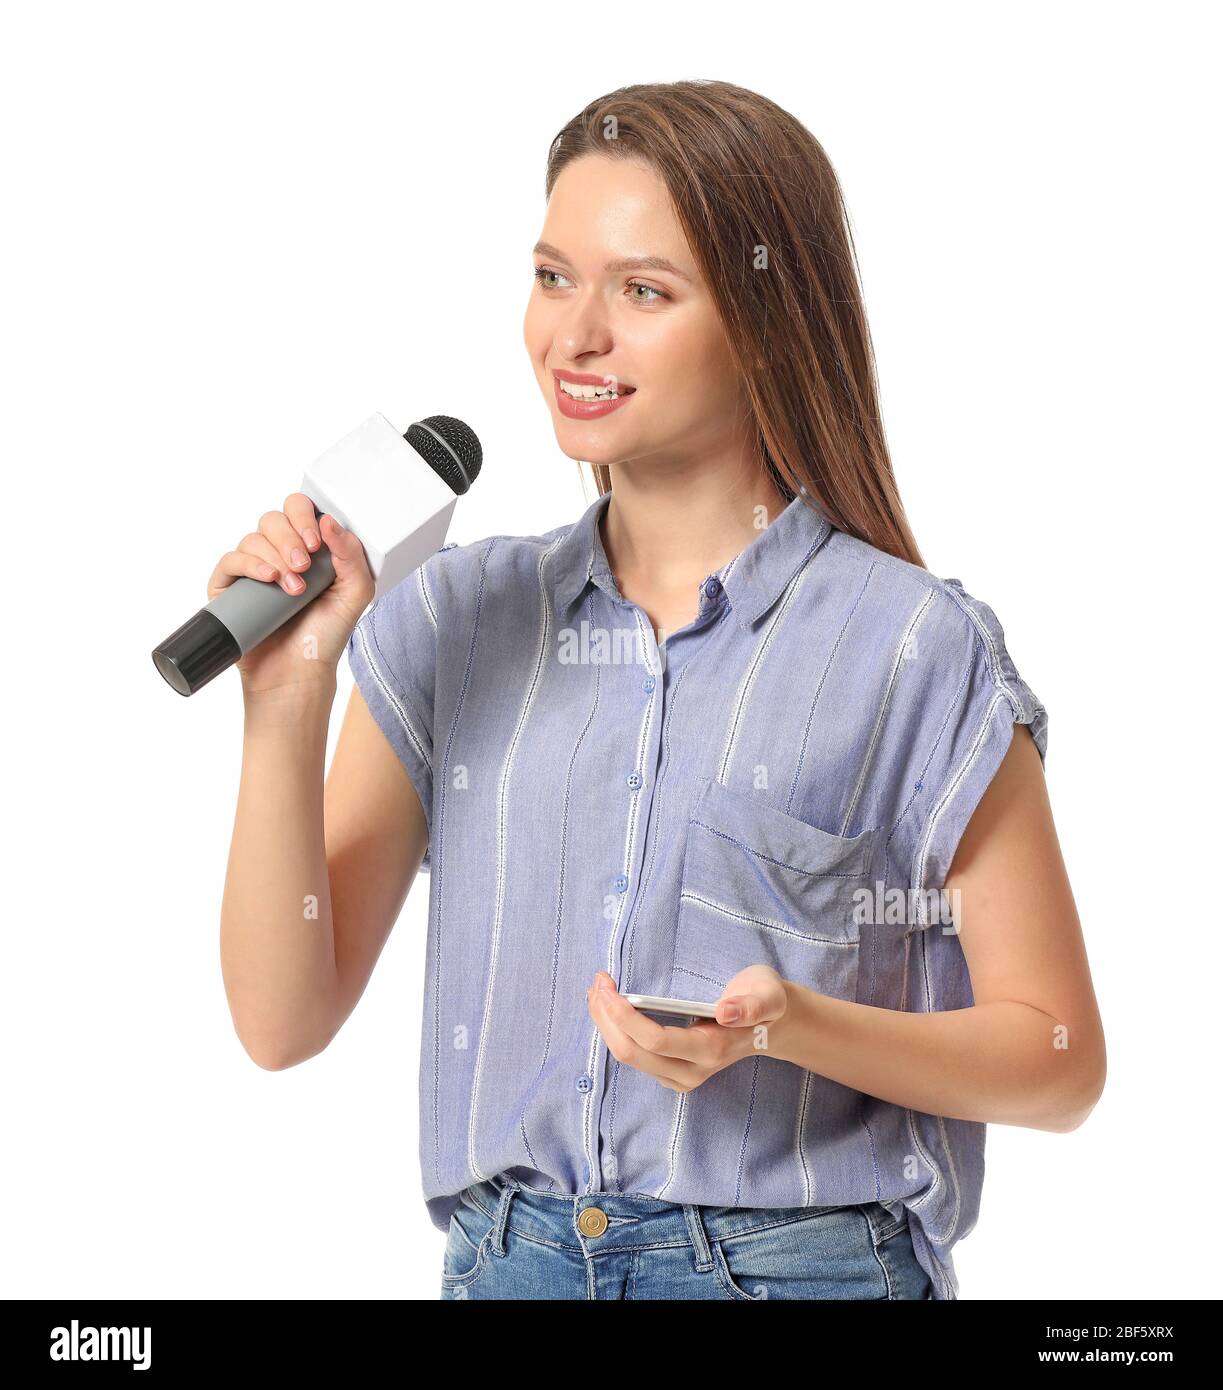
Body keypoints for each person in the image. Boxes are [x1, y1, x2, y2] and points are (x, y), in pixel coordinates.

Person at [214, 80, 1105, 1301]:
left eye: (642, 291)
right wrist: (285, 701)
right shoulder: (453, 619)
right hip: (506, 1268)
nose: (573, 336)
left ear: (766, 321)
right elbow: (281, 1019)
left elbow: (1055, 1056)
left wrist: (784, 1028)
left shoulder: (912, 648)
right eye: (550, 275)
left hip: (805, 1274)